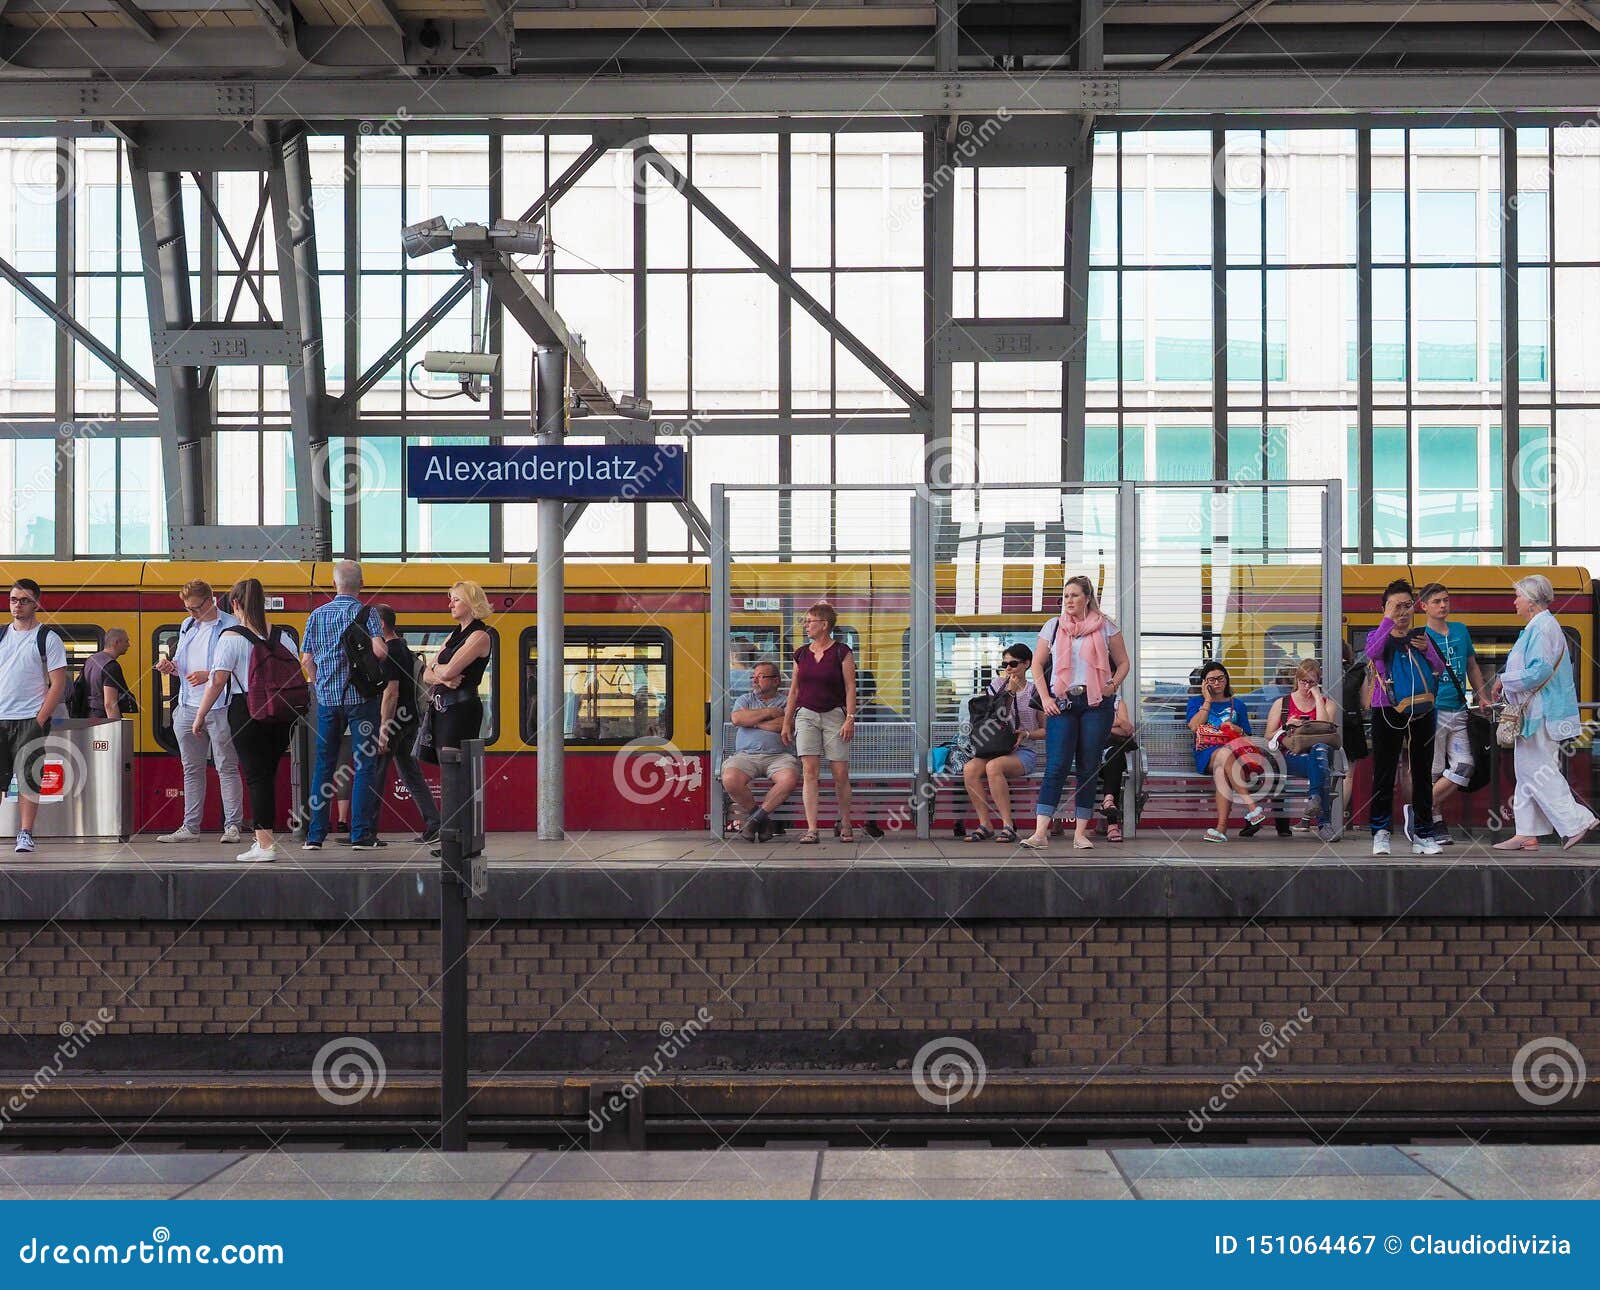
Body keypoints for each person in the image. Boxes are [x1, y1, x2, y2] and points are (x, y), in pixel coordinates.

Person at [191, 578, 298, 863]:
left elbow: (216, 682)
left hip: (247, 710)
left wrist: (200, 715)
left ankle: (264, 845)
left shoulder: (231, 637)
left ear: (235, 604)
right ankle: (263, 840)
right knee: (267, 776)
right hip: (281, 712)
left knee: (255, 777)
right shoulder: (283, 636)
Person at [1489, 574, 1598, 852]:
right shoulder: (1540, 626)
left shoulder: (1541, 628)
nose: (1514, 601)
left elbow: (1539, 671)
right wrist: (1505, 677)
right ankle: (1527, 832)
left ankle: (1577, 821)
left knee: (1538, 770)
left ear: (1532, 602)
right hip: (1540, 712)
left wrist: (1505, 679)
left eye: (1518, 596)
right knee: (1526, 771)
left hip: (1541, 713)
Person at [1022, 575, 1128, 852]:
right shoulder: (1054, 626)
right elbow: (1037, 665)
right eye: (1066, 596)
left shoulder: (1106, 626)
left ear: (1087, 598)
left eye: (1074, 595)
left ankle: (1080, 834)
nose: (1068, 600)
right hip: (1062, 703)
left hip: (1096, 704)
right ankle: (1040, 832)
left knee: (1088, 767)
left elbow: (1124, 663)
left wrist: (1112, 685)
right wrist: (1045, 698)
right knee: (1056, 765)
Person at [300, 560, 387, 852]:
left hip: (328, 703)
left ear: (334, 584)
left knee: (324, 766)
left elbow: (307, 659)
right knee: (364, 765)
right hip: (361, 701)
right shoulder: (368, 613)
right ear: (361, 584)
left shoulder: (316, 615)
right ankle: (360, 835)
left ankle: (315, 836)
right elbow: (379, 650)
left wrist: (319, 685)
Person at [156, 580, 245, 845]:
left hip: (220, 706)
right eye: (187, 608)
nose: (191, 613)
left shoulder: (231, 627)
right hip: (186, 706)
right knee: (191, 769)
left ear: (211, 600)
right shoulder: (187, 626)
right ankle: (190, 827)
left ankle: (232, 826)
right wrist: (170, 666)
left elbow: (241, 668)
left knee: (226, 767)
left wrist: (211, 675)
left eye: (195, 608)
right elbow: (184, 665)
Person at [1364, 579, 1444, 857]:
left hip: (1423, 709)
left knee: (1423, 773)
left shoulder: (1423, 636)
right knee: (1384, 772)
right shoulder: (1378, 634)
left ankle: (1424, 833)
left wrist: (1427, 650)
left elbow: (1439, 668)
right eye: (1396, 606)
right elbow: (1372, 653)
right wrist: (1388, 621)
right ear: (1385, 608)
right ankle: (1381, 832)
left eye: (1407, 605)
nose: (1403, 612)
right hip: (1387, 709)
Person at [781, 601, 856, 844]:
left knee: (840, 773)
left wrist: (850, 718)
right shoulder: (801, 653)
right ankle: (812, 828)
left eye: (809, 621)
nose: (806, 625)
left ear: (824, 625)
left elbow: (850, 687)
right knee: (809, 772)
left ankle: (845, 822)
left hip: (835, 714)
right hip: (806, 715)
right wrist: (787, 721)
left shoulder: (841, 652)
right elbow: (793, 690)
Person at [1417, 581, 1486, 846]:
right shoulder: (1420, 635)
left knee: (1464, 765)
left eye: (1445, 600)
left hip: (1458, 708)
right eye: (1436, 601)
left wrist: (1481, 694)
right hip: (1431, 711)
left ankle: (1419, 810)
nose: (1443, 605)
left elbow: (1472, 664)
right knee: (1433, 771)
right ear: (1424, 606)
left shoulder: (1460, 630)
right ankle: (1435, 821)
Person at [0, 578, 66, 854]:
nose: (17, 605)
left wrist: (40, 720)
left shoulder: (47, 638)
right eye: (14, 600)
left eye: (24, 600)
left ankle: (25, 834)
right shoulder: (1, 635)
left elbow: (58, 684)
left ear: (37, 603)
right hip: (1, 716)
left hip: (30, 717)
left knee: (28, 778)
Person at [373, 604, 441, 846]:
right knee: (411, 774)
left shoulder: (390, 650)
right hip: (410, 720)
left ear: (381, 624)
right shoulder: (402, 646)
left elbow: (391, 692)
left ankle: (366, 831)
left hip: (394, 722)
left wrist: (383, 728)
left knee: (375, 773)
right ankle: (434, 824)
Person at [961, 643, 1042, 845]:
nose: (1008, 669)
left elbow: (1046, 730)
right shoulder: (996, 686)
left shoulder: (1035, 691)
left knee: (993, 767)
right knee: (970, 768)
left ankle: (1008, 825)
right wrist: (1009, 694)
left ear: (1026, 664)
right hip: (995, 747)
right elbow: (992, 718)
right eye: (1004, 664)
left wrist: (1027, 734)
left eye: (1013, 664)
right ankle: (985, 824)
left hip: (1023, 751)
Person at [1187, 660, 1268, 843]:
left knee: (1221, 771)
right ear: (1204, 683)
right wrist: (1207, 700)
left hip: (1234, 757)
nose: (1217, 683)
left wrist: (1238, 730)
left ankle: (1221, 828)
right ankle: (1252, 806)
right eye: (1211, 680)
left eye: (1220, 678)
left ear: (1226, 680)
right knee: (1223, 755)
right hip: (1206, 754)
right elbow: (1194, 726)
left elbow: (1248, 736)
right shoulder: (1195, 702)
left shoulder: (1237, 704)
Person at [418, 580, 493, 771]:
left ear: (471, 603)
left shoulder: (479, 636)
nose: (450, 604)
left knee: (454, 771)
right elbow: (426, 674)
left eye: (456, 600)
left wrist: (437, 668)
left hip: (461, 711)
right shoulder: (454, 635)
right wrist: (441, 676)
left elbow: (449, 670)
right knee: (446, 771)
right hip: (442, 710)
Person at [724, 660, 801, 843]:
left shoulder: (787, 702)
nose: (754, 681)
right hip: (745, 756)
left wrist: (754, 722)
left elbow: (786, 724)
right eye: (754, 677)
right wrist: (769, 712)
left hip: (779, 756)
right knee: (729, 778)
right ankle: (761, 818)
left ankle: (754, 820)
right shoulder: (745, 699)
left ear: (776, 681)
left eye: (760, 677)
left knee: (789, 779)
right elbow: (737, 718)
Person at [1265, 658, 1339, 843]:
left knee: (1320, 749)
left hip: (1318, 753)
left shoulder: (1328, 704)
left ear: (1318, 682)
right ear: (1296, 680)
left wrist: (1317, 698)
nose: (1306, 685)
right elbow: (1268, 735)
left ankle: (1314, 798)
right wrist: (1287, 725)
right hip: (1292, 756)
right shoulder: (1282, 703)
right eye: (1303, 681)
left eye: (1311, 682)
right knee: (1321, 769)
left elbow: (1324, 727)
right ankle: (1324, 824)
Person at [1097, 695, 1139, 843]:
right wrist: (1118, 722)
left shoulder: (1117, 700)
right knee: (1113, 765)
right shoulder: (1084, 696)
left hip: (1110, 755)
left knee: (1115, 759)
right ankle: (1112, 826)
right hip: (1089, 757)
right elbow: (1088, 728)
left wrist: (1104, 725)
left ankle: (1109, 801)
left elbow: (1126, 731)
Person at [83, 628, 136, 720]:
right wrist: (116, 730)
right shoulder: (111, 666)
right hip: (103, 720)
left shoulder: (91, 660)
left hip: (90, 716)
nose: (129, 645)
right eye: (126, 641)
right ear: (116, 642)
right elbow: (110, 704)